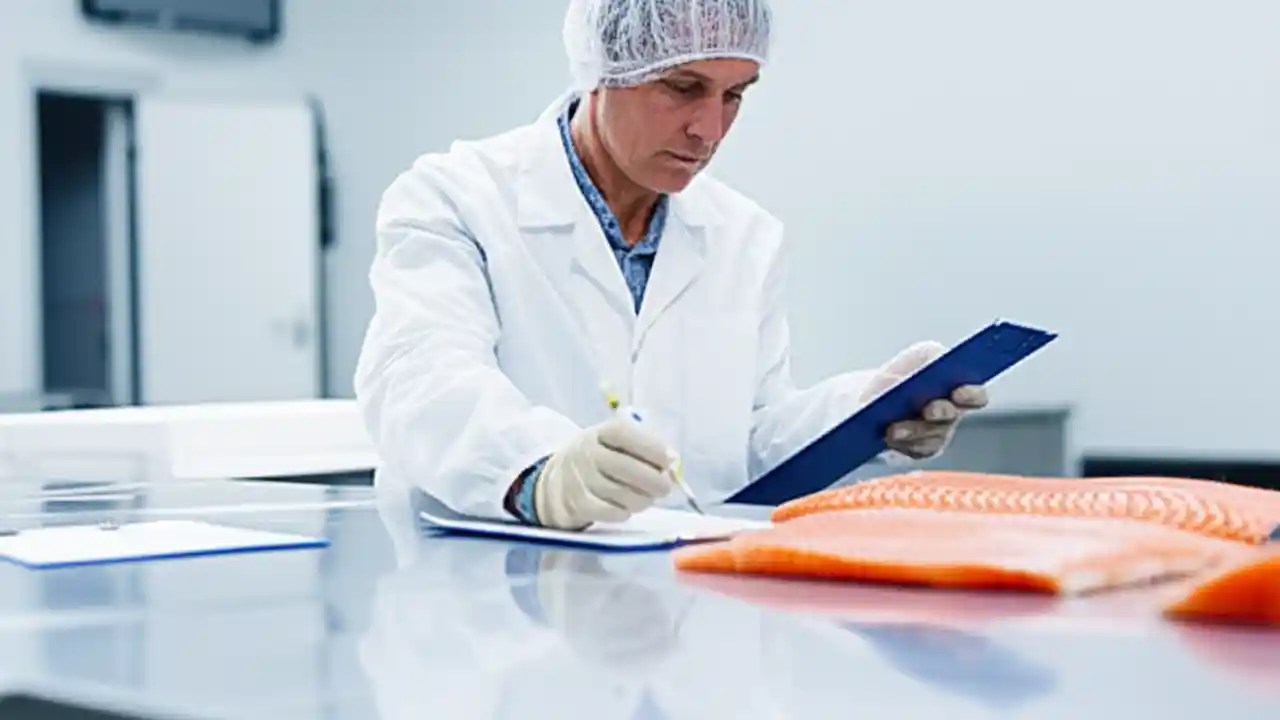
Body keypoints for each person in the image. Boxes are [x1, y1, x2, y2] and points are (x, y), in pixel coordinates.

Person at [354, 0, 988, 531]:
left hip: (689, 609)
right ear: (604, 69)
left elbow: (750, 439)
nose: (708, 130)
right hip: (493, 612)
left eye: (734, 95)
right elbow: (419, 380)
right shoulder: (457, 199)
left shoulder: (746, 238)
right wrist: (540, 473)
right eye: (683, 88)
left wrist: (866, 413)